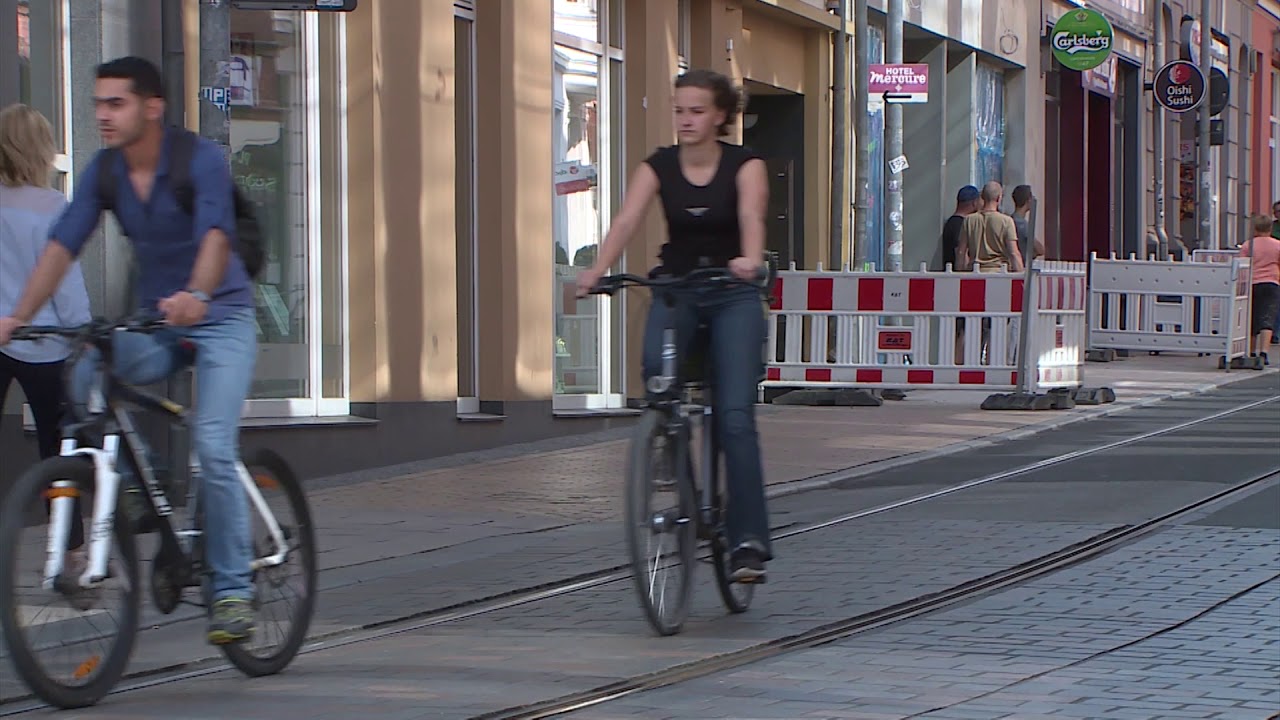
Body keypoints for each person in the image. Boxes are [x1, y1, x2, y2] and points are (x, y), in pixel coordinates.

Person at [0, 57, 258, 645]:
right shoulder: (105, 171)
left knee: (215, 447)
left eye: (116, 103)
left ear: (152, 107)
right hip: (156, 322)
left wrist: (197, 292)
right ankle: (141, 484)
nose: (102, 115)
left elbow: (217, 233)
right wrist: (18, 316)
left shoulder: (199, 161)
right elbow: (62, 246)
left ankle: (234, 589)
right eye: (98, 104)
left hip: (220, 320)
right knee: (87, 369)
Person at [575, 69, 772, 582]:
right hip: (679, 288)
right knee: (658, 385)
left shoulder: (745, 165)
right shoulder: (659, 165)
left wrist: (749, 260)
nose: (685, 120)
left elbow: (752, 218)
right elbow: (626, 219)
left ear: (720, 116)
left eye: (696, 110)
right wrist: (597, 271)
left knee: (732, 417)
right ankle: (680, 482)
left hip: (733, 294)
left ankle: (748, 541)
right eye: (679, 110)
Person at [1, 104, 94, 570]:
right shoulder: (54, 207)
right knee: (58, 450)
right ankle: (70, 550)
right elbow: (65, 283)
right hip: (46, 342)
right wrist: (85, 331)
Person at [1239, 214, 1280, 365]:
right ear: (1270, 228)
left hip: (1252, 283)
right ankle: (1264, 352)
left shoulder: (1248, 245)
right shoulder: (1277, 245)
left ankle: (1250, 351)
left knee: (1251, 317)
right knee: (1267, 317)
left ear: (1255, 228)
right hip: (1271, 283)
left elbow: (1242, 266)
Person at [958, 181, 1023, 273]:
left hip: (974, 273)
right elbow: (1014, 253)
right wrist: (1021, 275)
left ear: (982, 197)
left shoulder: (969, 220)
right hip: (999, 273)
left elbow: (961, 251)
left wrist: (960, 273)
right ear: (998, 198)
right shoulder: (1006, 221)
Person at [940, 185, 979, 271]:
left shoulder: (952, 222)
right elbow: (960, 252)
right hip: (955, 277)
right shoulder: (960, 225)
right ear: (974, 202)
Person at [1009, 184, 1044, 262]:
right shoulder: (1022, 224)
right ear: (1028, 200)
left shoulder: (1009, 220)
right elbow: (1040, 250)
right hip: (1022, 266)